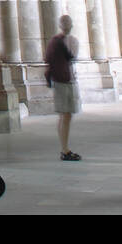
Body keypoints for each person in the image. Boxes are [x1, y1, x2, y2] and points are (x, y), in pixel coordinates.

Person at [45, 15, 81, 160]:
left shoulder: (59, 41)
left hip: (65, 80)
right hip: (63, 81)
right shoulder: (59, 42)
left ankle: (64, 148)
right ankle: (64, 150)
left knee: (65, 115)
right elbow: (71, 58)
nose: (68, 26)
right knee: (65, 115)